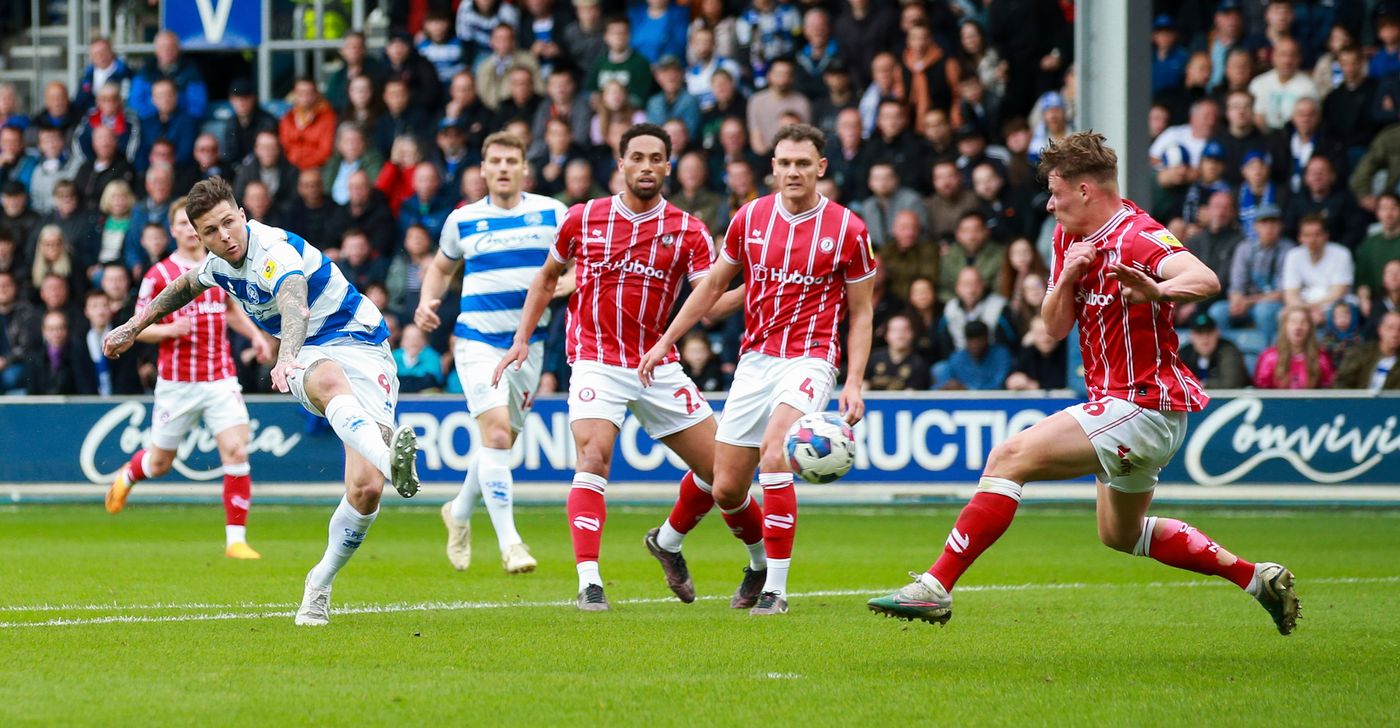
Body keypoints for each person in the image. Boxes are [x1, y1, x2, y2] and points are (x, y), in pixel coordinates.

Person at [866, 131, 1299, 635]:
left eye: (1056, 192)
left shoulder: (1137, 234)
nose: (1050, 204)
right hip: (1120, 406)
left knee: (1009, 458)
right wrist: (1068, 276)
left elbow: (1204, 279)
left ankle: (936, 587)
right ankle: (1257, 579)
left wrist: (1157, 289)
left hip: (1143, 402)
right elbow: (1052, 328)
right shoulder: (1067, 237)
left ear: (1087, 190)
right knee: (1121, 534)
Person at [101, 177, 421, 626]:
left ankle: (320, 580)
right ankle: (392, 462)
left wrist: (284, 354)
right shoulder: (218, 263)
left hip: (363, 345)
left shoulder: (272, 251)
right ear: (199, 236)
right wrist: (133, 327)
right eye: (211, 231)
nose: (224, 236)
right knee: (326, 377)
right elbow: (185, 286)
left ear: (243, 215)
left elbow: (295, 305)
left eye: (229, 223)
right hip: (313, 355)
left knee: (365, 490)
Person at [495, 123, 736, 611]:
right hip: (596, 359)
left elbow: (709, 303)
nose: (646, 167)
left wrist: (761, 284)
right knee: (593, 458)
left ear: (668, 167)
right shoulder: (583, 218)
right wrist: (522, 338)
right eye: (637, 158)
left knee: (723, 475)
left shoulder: (687, 229)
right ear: (620, 163)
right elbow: (547, 279)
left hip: (657, 363)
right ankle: (589, 581)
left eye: (656, 159)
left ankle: (667, 541)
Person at [639, 123, 877, 616]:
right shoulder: (750, 219)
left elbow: (863, 311)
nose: (793, 172)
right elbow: (708, 290)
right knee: (726, 486)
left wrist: (853, 381)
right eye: (785, 163)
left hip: (811, 358)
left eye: (803, 164)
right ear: (773, 167)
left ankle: (777, 592)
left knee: (776, 452)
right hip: (756, 359)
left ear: (821, 169)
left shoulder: (849, 229)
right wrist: (666, 340)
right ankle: (755, 564)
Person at [416, 132, 565, 575]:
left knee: (498, 444)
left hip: (528, 347)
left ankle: (459, 511)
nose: (502, 168)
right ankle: (511, 543)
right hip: (477, 341)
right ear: (482, 169)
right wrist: (427, 301)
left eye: (510, 161)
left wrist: (552, 291)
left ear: (524, 168)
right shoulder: (463, 220)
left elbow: (576, 273)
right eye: (495, 161)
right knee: (498, 435)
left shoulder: (552, 214)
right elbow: (441, 268)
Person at [104, 197, 274, 557]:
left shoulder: (221, 266)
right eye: (180, 224)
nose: (188, 230)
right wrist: (167, 331)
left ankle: (236, 541)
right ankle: (129, 474)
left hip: (219, 377)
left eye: (191, 224)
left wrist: (257, 335)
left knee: (236, 449)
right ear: (173, 231)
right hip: (177, 383)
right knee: (161, 463)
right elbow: (138, 327)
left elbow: (229, 310)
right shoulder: (159, 275)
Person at [1253, 304, 1334, 389]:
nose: (1298, 327)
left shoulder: (1321, 357)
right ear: (1284, 327)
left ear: (1310, 328)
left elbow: (1329, 390)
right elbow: (1261, 392)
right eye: (1293, 322)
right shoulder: (1268, 357)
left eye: (1303, 322)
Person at [1180, 312, 1248, 389]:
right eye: (1199, 333)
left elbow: (1230, 383)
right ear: (1192, 336)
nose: (1205, 338)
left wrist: (1200, 385)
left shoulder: (1228, 350)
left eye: (1209, 332)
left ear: (1217, 333)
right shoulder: (1184, 353)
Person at [1334, 311, 1400, 391]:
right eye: (1390, 328)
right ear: (1380, 330)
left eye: (1399, 329)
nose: (1395, 334)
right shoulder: (1360, 353)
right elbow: (1341, 383)